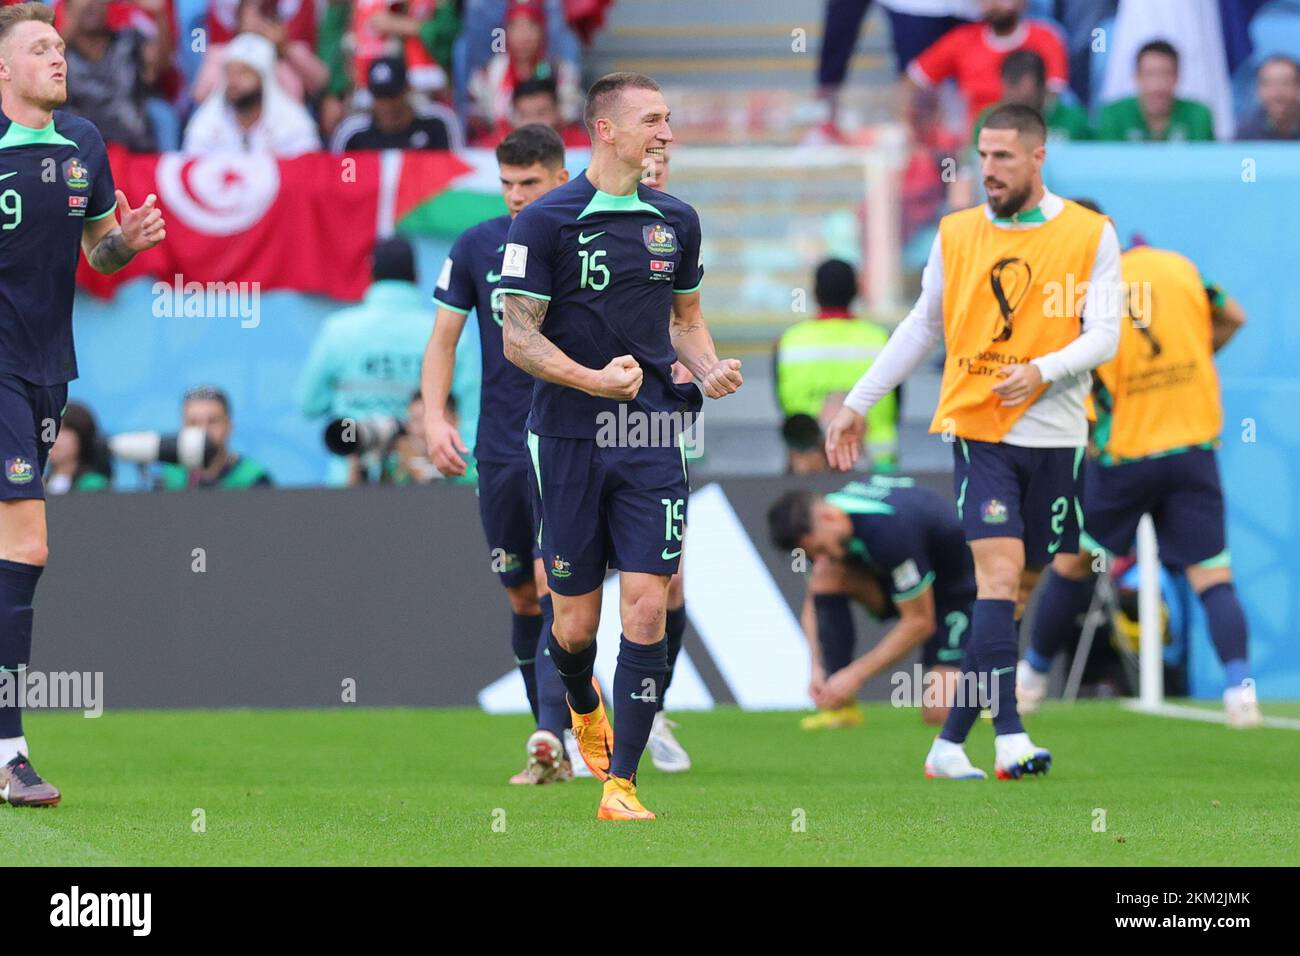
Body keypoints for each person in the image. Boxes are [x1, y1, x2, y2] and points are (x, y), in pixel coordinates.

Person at [825, 103, 1121, 781]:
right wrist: (859, 402)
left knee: (1016, 593)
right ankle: (1010, 736)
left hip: (1058, 438)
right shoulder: (957, 233)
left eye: (1004, 158)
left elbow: (1106, 334)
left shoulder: (1088, 233)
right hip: (980, 430)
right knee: (994, 577)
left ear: (1038, 158)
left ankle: (948, 744)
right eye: (983, 156)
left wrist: (1042, 371)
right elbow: (921, 325)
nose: (988, 170)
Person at [498, 72, 742, 820]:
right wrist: (592, 380)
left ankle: (621, 784)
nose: (666, 133)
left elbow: (686, 319)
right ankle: (580, 702)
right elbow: (518, 337)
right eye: (653, 120)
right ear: (606, 130)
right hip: (569, 437)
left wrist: (709, 365)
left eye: (667, 119)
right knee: (572, 626)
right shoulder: (544, 221)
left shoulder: (677, 220)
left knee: (647, 608)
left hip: (650, 436)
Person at [0, 2, 165, 806]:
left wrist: (124, 245)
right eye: (39, 49)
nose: (58, 59)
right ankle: (8, 752)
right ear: (2, 69)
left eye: (60, 46)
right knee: (27, 547)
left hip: (46, 369)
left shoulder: (85, 145)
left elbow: (97, 249)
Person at [1020, 213, 1261, 729]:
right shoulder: (1181, 269)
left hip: (1127, 454)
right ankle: (1240, 691)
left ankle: (1031, 679)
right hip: (1193, 449)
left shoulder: (1092, 289)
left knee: (1073, 565)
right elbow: (1234, 315)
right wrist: (1198, 354)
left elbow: (1081, 375)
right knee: (1212, 577)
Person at [422, 124, 573, 785]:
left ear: (560, 179)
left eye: (530, 184)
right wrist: (433, 419)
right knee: (520, 595)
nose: (516, 197)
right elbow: (443, 342)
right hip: (500, 448)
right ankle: (555, 729)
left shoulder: (584, 242)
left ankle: (549, 733)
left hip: (569, 443)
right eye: (507, 184)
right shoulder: (477, 244)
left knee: (552, 588)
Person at [768, 477, 976, 737]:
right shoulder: (832, 516)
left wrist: (855, 676)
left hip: (956, 591)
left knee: (939, 712)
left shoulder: (887, 532)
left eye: (820, 548)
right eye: (811, 554)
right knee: (826, 573)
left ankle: (989, 686)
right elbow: (814, 601)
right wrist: (817, 666)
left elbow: (920, 622)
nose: (819, 557)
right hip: (904, 577)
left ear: (828, 517)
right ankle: (841, 707)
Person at [300, 235, 472, 484]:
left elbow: (309, 404)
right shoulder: (447, 333)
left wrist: (357, 408)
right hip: (433, 488)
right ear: (417, 277)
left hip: (349, 479)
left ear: (371, 276)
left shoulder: (338, 331)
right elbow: (472, 415)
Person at [775, 258, 898, 471]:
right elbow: (896, 406)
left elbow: (782, 404)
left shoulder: (790, 341)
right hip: (876, 468)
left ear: (814, 292)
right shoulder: (880, 340)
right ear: (857, 291)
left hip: (809, 469)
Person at [905, 0, 1068, 131]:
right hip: (976, 143)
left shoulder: (1047, 39)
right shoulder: (961, 40)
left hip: (1032, 136)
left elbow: (1053, 98)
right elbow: (913, 80)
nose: (996, 3)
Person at [181, 31, 321, 156]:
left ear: (264, 78)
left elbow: (309, 171)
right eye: (229, 73)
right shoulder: (207, 123)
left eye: (244, 73)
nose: (234, 80)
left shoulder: (293, 122)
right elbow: (192, 170)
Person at [468, 0, 581, 142]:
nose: (524, 36)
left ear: (542, 31)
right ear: (506, 32)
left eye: (531, 26)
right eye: (516, 27)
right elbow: (479, 121)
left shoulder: (561, 71)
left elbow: (569, 116)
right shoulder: (488, 73)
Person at [61, 0, 160, 151]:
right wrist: (70, 24)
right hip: (85, 152)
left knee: (163, 115)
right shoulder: (61, 55)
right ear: (68, 9)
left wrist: (160, 16)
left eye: (97, 2)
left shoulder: (128, 41)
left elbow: (158, 67)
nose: (92, 6)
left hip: (134, 144)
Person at [328, 56, 464, 152]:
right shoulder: (353, 136)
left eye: (392, 95)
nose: (387, 105)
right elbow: (345, 183)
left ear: (407, 89)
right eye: (380, 97)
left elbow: (457, 174)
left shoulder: (438, 124)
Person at [1096, 40, 1214, 142]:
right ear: (1136, 77)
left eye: (1166, 74)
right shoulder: (1113, 115)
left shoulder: (1197, 115)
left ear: (1177, 77)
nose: (1158, 84)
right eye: (1150, 74)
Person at [158, 386, 273, 489]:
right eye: (193, 423)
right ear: (182, 427)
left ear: (229, 426)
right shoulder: (167, 478)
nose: (203, 430)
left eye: (212, 421)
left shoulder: (254, 481)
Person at [970, 49, 1092, 146]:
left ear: (1044, 88)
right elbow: (973, 165)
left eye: (1026, 103)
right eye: (1011, 105)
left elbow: (1093, 163)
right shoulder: (989, 121)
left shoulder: (1074, 120)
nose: (1019, 111)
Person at [472, 76, 591, 148]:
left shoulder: (586, 148)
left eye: (541, 113)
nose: (533, 122)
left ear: (558, 112)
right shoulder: (497, 147)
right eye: (525, 115)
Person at [44, 401, 110, 493]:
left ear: (82, 434)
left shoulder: (94, 486)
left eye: (61, 429)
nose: (51, 437)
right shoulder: (38, 486)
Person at [1236, 55, 1300, 141]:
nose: (1276, 94)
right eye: (1268, 84)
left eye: (1285, 83)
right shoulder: (1247, 132)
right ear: (1258, 89)